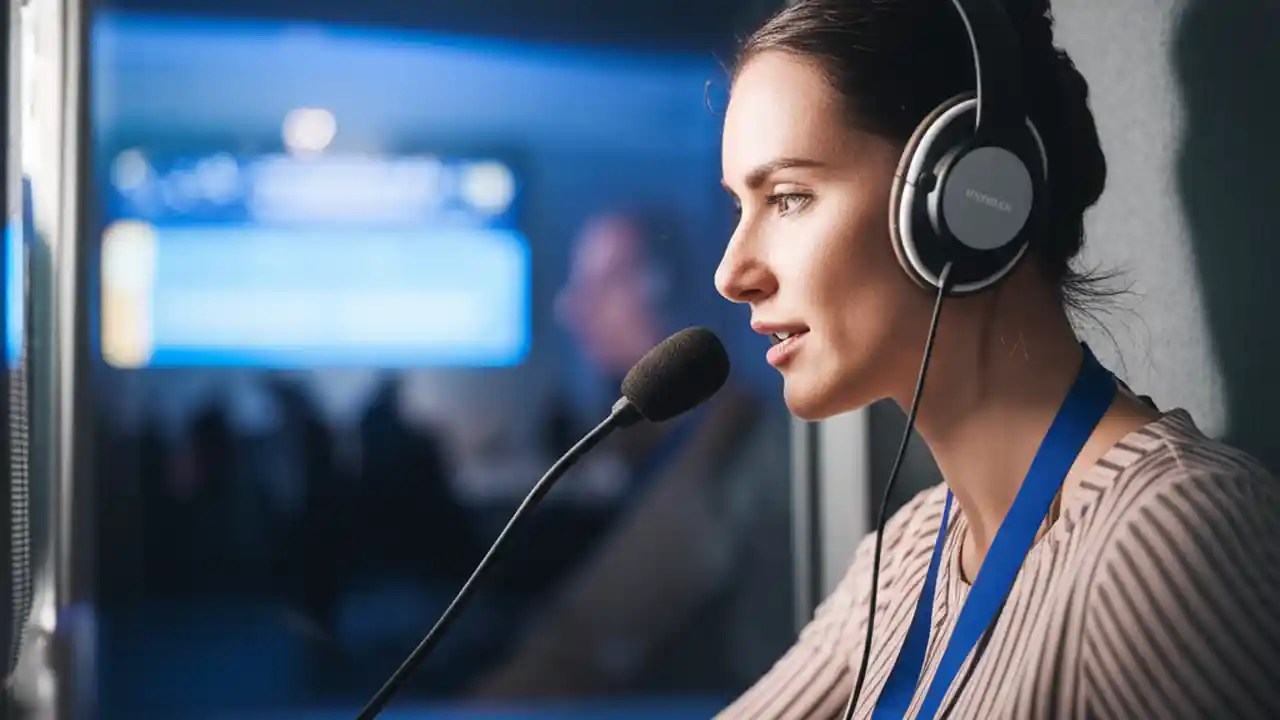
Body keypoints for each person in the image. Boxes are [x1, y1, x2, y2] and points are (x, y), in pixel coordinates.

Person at [713, 1, 1280, 719]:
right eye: (740, 206)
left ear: (968, 200)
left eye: (789, 198)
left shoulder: (1168, 534)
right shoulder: (910, 555)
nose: (731, 274)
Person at [468, 210, 794, 698]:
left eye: (597, 283)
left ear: (656, 291)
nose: (572, 307)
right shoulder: (645, 434)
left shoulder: (723, 442)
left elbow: (597, 633)